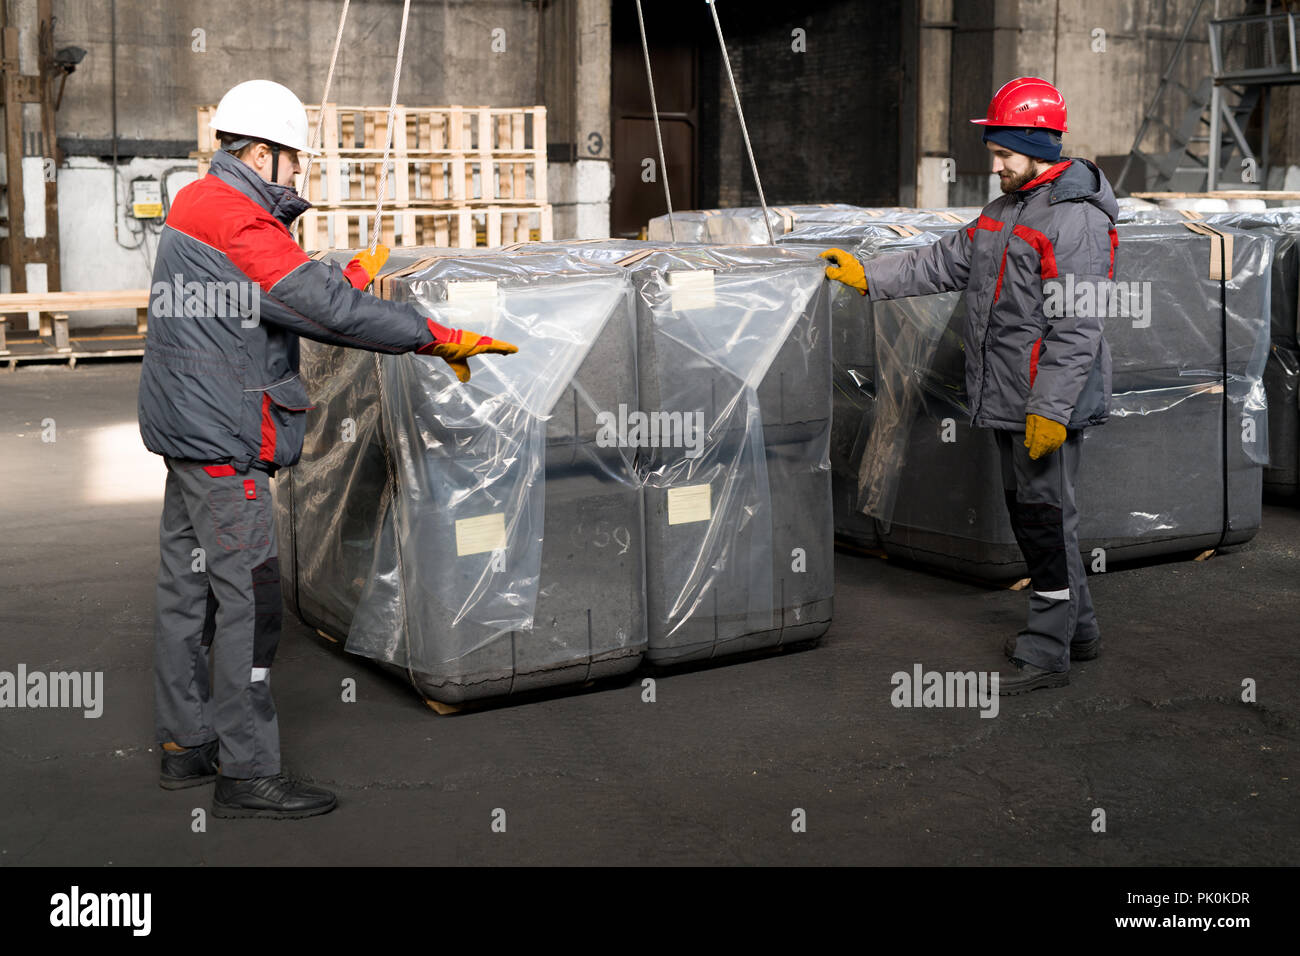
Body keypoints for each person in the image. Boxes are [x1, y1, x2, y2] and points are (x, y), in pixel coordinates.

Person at [140, 79, 518, 817]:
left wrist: (336, 278)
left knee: (186, 595)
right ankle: (248, 772)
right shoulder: (238, 220)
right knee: (249, 603)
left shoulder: (197, 202)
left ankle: (185, 746)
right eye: (292, 160)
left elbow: (266, 295)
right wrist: (434, 336)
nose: (297, 175)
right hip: (226, 441)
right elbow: (324, 313)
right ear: (259, 152)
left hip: (187, 434)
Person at [821, 76, 1117, 695]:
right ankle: (1077, 632)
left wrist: (1051, 409)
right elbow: (942, 261)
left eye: (1004, 154)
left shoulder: (1076, 223)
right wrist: (866, 274)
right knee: (1043, 516)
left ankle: (1045, 652)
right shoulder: (1004, 212)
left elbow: (1079, 324)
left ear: (1036, 146)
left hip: (1043, 400)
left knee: (1042, 520)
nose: (997, 165)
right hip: (1013, 394)